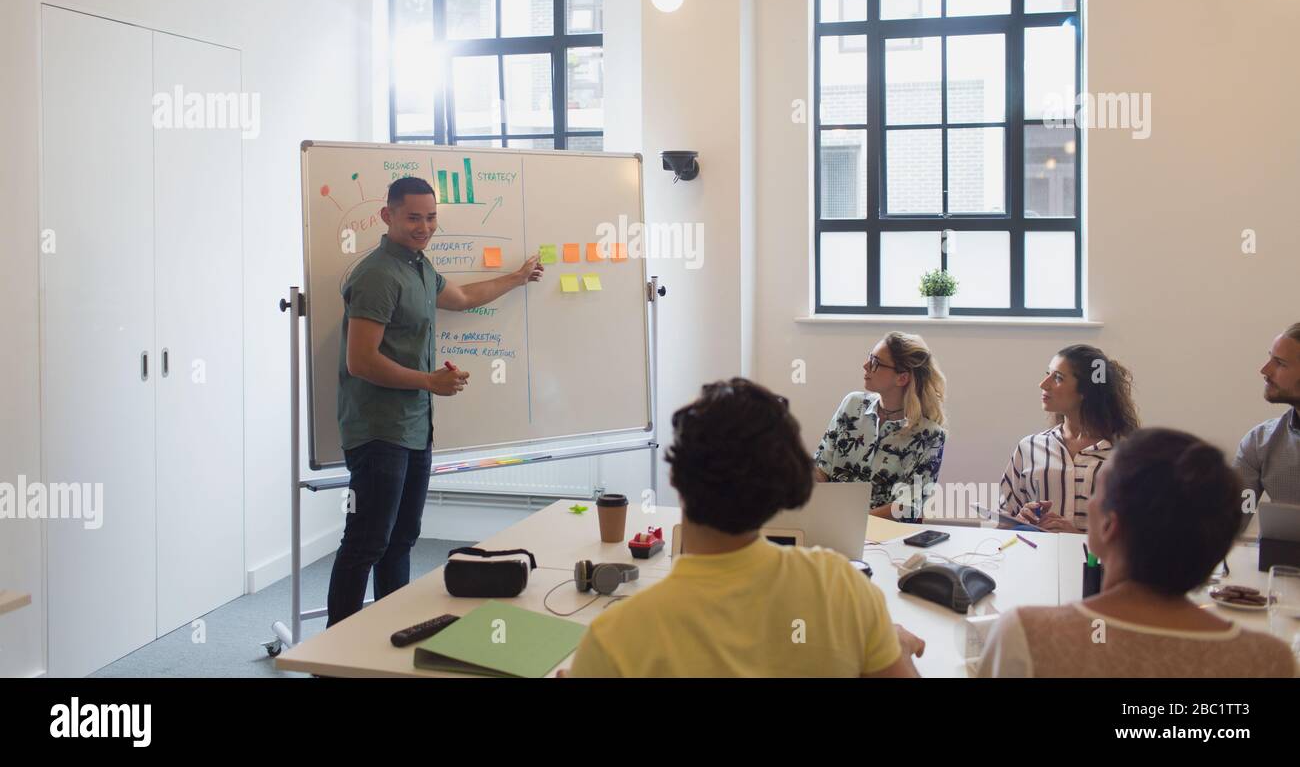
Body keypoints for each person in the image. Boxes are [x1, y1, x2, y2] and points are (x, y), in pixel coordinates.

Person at [566, 378, 926, 677]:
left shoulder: (616, 638)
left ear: (676, 479)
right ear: (781, 484)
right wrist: (891, 647)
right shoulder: (844, 588)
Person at [325, 176, 543, 626]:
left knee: (402, 537)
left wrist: (518, 278)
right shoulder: (377, 275)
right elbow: (361, 361)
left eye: (430, 217)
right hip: (377, 429)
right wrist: (428, 381)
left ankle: (389, 628)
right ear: (387, 217)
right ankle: (334, 648)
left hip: (412, 428)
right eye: (413, 217)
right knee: (367, 541)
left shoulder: (419, 266)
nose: (424, 226)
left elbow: (461, 297)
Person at [978, 428, 1297, 677]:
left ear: (1109, 527)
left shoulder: (1028, 636)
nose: (1089, 505)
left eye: (1097, 493)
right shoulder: (1271, 660)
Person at [998, 344, 1138, 533]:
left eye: (1057, 378)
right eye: (1048, 374)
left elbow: (1137, 537)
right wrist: (1020, 521)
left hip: (1095, 563)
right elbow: (1003, 522)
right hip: (1035, 560)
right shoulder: (1029, 448)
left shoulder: (1126, 456)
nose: (1043, 384)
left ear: (1085, 391)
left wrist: (1075, 538)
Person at [813, 332, 947, 522]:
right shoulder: (852, 405)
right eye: (870, 357)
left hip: (886, 538)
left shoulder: (930, 435)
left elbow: (907, 507)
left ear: (902, 378)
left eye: (876, 362)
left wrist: (854, 522)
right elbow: (822, 468)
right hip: (831, 524)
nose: (866, 365)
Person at [1235, 322, 1300, 507]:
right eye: (1270, 358)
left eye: (1280, 363)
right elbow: (1231, 517)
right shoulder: (1259, 442)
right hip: (1278, 538)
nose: (1265, 370)